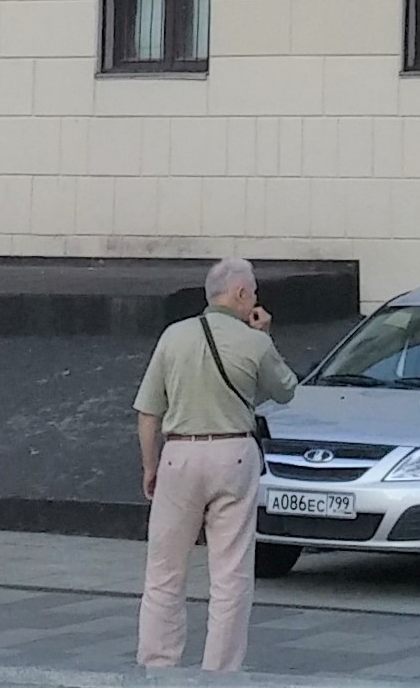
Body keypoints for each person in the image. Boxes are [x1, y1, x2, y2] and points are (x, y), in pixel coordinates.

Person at [131, 256, 295, 671]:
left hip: (179, 454)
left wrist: (150, 465)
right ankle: (220, 673)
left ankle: (156, 666)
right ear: (239, 294)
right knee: (230, 574)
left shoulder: (174, 336)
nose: (254, 300)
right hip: (233, 453)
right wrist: (264, 336)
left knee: (164, 572)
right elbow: (285, 390)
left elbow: (148, 413)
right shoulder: (254, 342)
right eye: (252, 292)